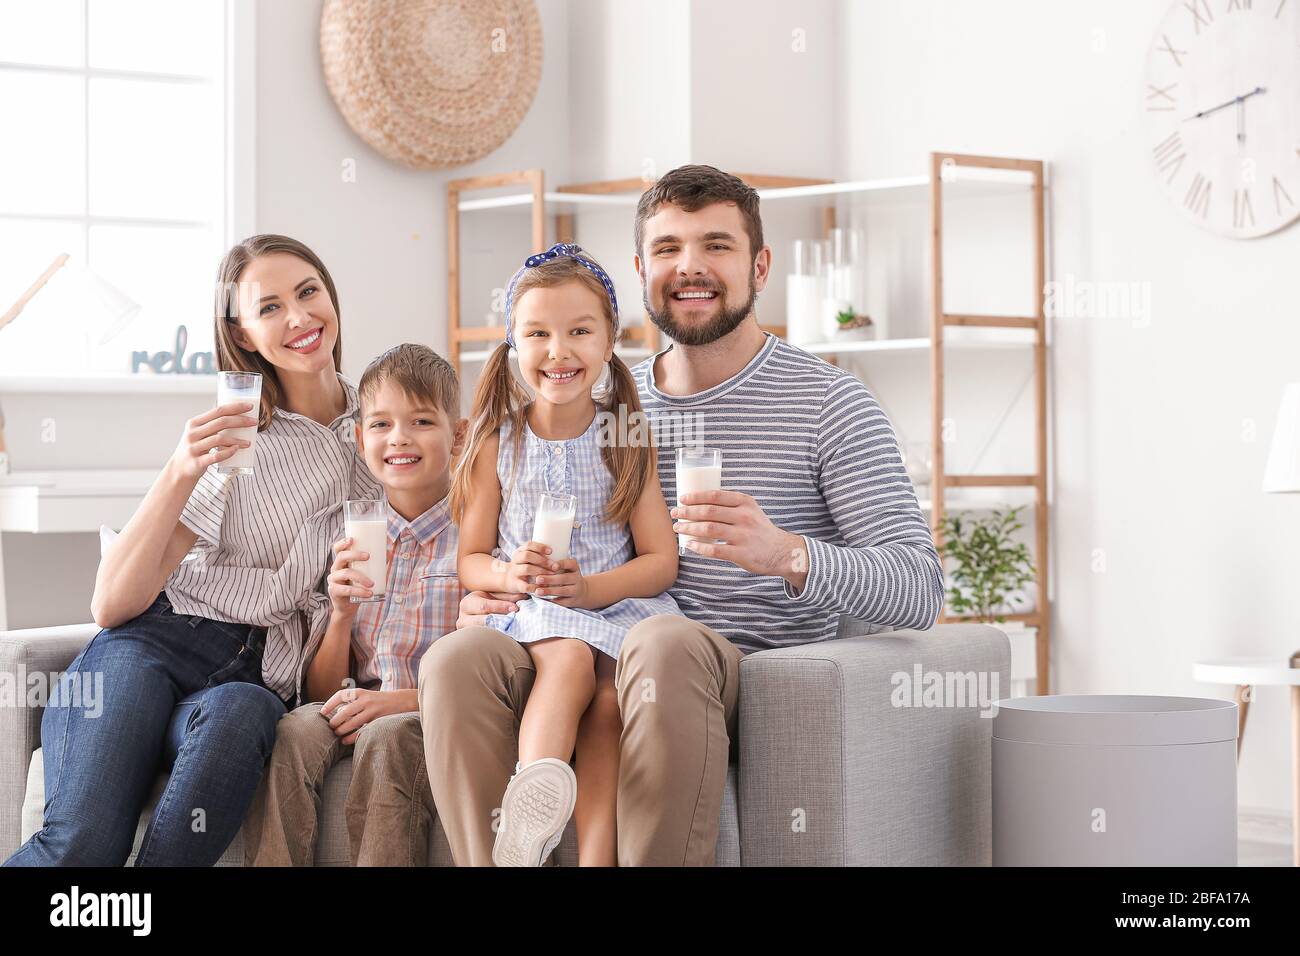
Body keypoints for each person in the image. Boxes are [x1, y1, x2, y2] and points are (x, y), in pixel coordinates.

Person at [425, 166, 946, 867]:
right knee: (458, 657)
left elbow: (920, 589)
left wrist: (786, 553)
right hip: (571, 646)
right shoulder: (602, 400)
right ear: (641, 271)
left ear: (760, 264)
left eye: (716, 245)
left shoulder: (830, 404)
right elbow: (496, 527)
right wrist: (495, 590)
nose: (690, 266)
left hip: (718, 668)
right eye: (668, 248)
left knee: (663, 644)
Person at [5, 234, 382, 866]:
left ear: (331, 298)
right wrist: (180, 469)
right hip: (155, 642)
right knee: (84, 846)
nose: (298, 317)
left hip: (255, 677)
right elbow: (112, 606)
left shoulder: (382, 427)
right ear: (242, 334)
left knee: (243, 713)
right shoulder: (239, 435)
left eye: (308, 292)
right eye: (269, 308)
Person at [442, 244, 678, 866]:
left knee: (608, 703)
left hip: (612, 609)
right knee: (571, 658)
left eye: (579, 331)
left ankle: (597, 856)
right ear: (514, 345)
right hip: (537, 612)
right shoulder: (499, 439)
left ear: (608, 340)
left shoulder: (626, 434)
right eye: (538, 333)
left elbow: (661, 560)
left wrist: (593, 591)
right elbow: (469, 557)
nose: (558, 351)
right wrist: (507, 572)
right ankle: (533, 800)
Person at [243, 344, 466, 866]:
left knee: (386, 737)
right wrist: (340, 616)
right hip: (354, 703)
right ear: (361, 437)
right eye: (382, 424)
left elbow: (491, 682)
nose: (400, 438)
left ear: (458, 435)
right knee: (292, 730)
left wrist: (400, 702)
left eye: (422, 421)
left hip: (422, 714)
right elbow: (322, 694)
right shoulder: (352, 537)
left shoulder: (474, 540)